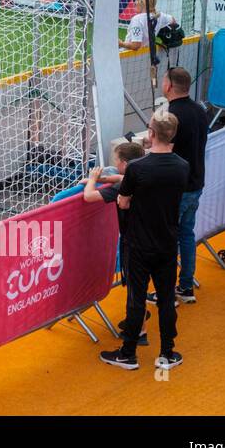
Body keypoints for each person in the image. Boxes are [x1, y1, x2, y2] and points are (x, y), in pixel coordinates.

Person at [100, 111, 188, 371]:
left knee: (136, 298)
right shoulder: (182, 166)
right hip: (167, 242)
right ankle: (167, 353)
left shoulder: (137, 168)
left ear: (151, 134)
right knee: (165, 298)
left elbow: (123, 202)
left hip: (139, 243)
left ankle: (128, 354)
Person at [83, 139, 149, 346]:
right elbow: (119, 176)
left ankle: (139, 332)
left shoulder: (124, 186)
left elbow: (89, 197)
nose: (117, 165)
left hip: (135, 242)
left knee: (135, 289)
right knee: (141, 285)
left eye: (118, 161)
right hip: (152, 236)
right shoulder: (146, 173)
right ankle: (140, 318)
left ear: (126, 163)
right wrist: (104, 178)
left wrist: (93, 179)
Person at [163, 68, 208, 304]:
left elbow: (166, 149)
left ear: (169, 85)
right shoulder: (199, 110)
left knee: (168, 240)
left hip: (178, 189)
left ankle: (167, 292)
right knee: (186, 235)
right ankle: (186, 286)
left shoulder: (173, 115)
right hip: (196, 183)